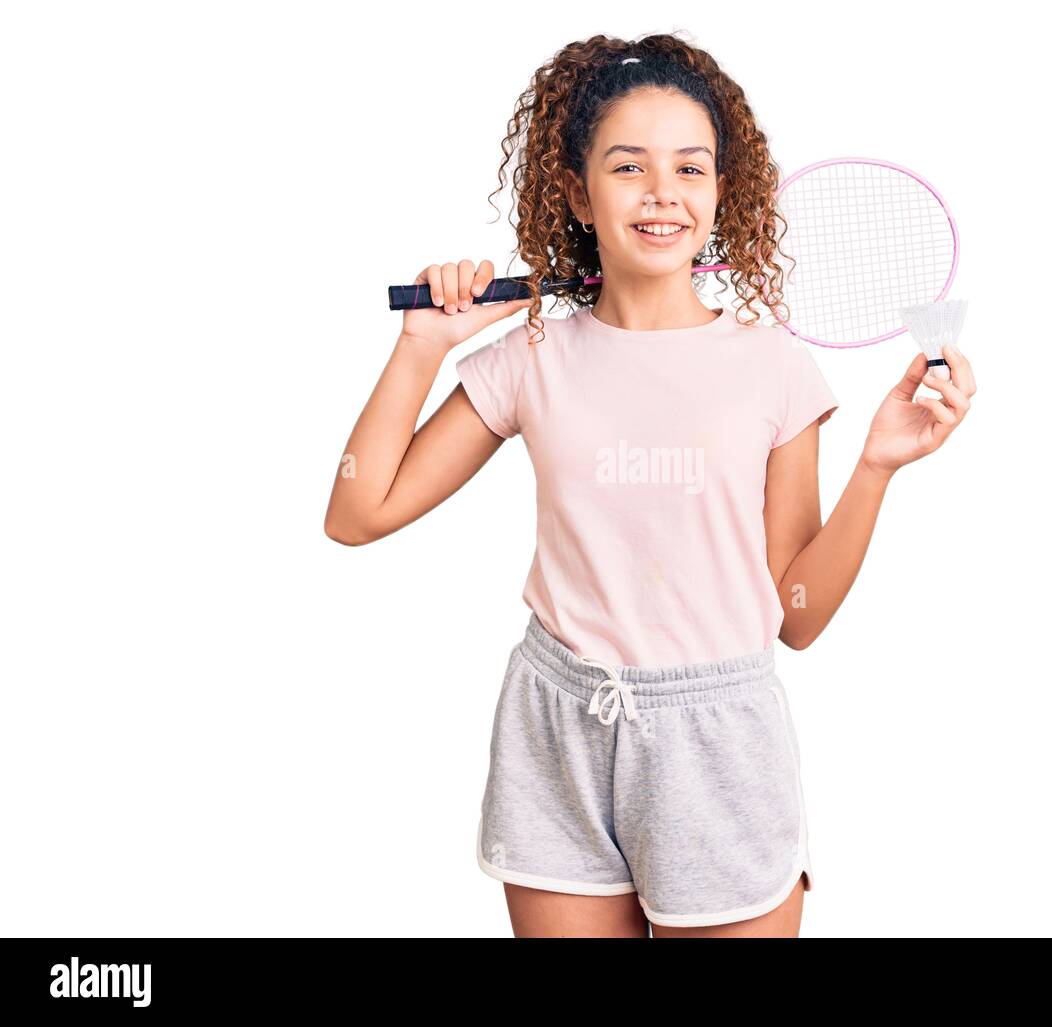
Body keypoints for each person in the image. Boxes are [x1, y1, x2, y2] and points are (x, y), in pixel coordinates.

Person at [324, 32, 976, 938]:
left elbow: (796, 614)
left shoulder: (774, 366)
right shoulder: (528, 359)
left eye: (691, 168)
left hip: (719, 743)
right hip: (557, 728)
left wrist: (876, 466)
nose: (663, 192)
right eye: (628, 166)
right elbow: (357, 512)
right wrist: (421, 347)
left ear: (721, 192)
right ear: (575, 191)